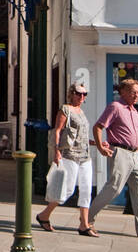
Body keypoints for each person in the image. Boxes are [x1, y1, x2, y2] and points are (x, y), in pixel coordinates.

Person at [88, 78, 138, 240]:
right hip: (120, 152)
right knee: (114, 188)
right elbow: (98, 127)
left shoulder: (134, 112)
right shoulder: (115, 107)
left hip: (135, 154)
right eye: (133, 92)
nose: (136, 95)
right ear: (122, 92)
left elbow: (136, 140)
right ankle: (87, 218)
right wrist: (101, 148)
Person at [36, 82, 96, 235]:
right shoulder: (65, 110)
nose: (82, 96)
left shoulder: (81, 112)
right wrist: (56, 152)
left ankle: (84, 224)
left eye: (84, 94)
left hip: (85, 156)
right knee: (67, 190)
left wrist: (96, 143)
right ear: (71, 93)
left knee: (86, 189)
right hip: (70, 155)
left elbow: (80, 137)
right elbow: (58, 131)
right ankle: (44, 215)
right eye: (78, 93)